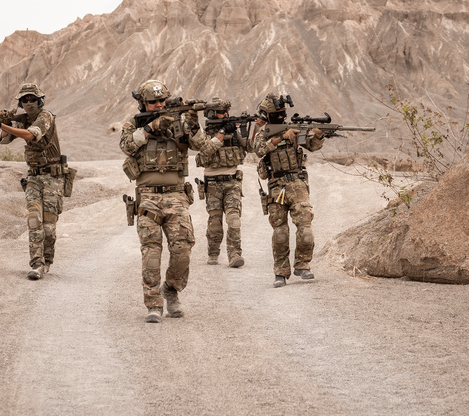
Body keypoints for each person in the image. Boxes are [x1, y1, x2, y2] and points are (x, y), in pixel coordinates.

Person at [119, 80, 223, 323]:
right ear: (143, 103)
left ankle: (171, 289)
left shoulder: (183, 122)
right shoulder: (134, 124)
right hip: (148, 196)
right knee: (151, 254)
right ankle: (153, 304)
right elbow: (125, 145)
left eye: (162, 101)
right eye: (153, 102)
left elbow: (206, 150)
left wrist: (193, 125)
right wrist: (150, 128)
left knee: (182, 250)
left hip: (176, 194)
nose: (158, 105)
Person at [0, 83, 68, 280]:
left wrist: (4, 125)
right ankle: (37, 264)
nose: (29, 103)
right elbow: (4, 140)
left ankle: (47, 260)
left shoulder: (46, 117)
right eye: (24, 100)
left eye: (32, 99)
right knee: (34, 219)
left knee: (48, 229)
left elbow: (31, 134)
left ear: (39, 100)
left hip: (53, 178)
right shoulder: (22, 120)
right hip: (34, 177)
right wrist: (3, 123)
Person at [252, 93, 325, 288]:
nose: (281, 116)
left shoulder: (294, 128)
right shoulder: (264, 132)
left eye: (282, 113)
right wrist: (280, 138)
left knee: (305, 225)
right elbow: (258, 150)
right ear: (268, 116)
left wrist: (318, 134)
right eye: (276, 114)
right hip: (276, 185)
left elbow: (312, 146)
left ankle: (303, 265)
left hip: (298, 182)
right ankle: (281, 273)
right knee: (280, 232)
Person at [196, 98, 251, 268]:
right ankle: (213, 252)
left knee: (234, 219)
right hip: (212, 183)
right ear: (212, 113)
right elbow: (203, 154)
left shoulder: (233, 131)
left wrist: (255, 127)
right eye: (221, 112)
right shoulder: (203, 133)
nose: (225, 114)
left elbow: (251, 147)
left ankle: (235, 254)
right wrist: (221, 133)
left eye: (226, 111)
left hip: (232, 181)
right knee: (215, 222)